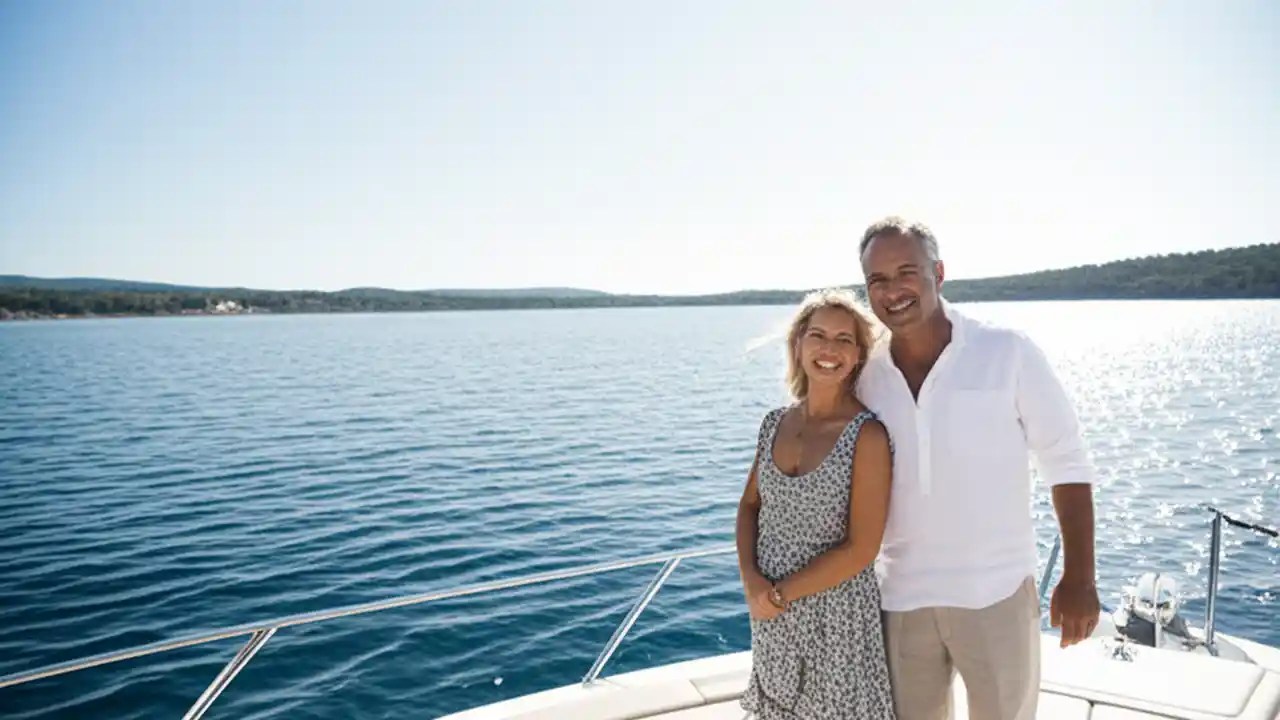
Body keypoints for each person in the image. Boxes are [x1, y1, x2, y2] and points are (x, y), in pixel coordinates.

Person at [855, 217, 1100, 720]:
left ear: (939, 273)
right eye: (877, 279)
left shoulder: (1007, 351)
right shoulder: (864, 373)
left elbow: (1066, 461)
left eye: (906, 272)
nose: (892, 291)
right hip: (900, 597)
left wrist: (1080, 576)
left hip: (997, 591)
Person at [736, 288, 896, 720]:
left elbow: (862, 549)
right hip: (771, 613)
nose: (829, 349)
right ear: (798, 344)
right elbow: (750, 506)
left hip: (835, 617)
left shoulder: (867, 436)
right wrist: (751, 581)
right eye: (818, 335)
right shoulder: (774, 423)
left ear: (858, 355)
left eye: (844, 339)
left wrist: (778, 594)